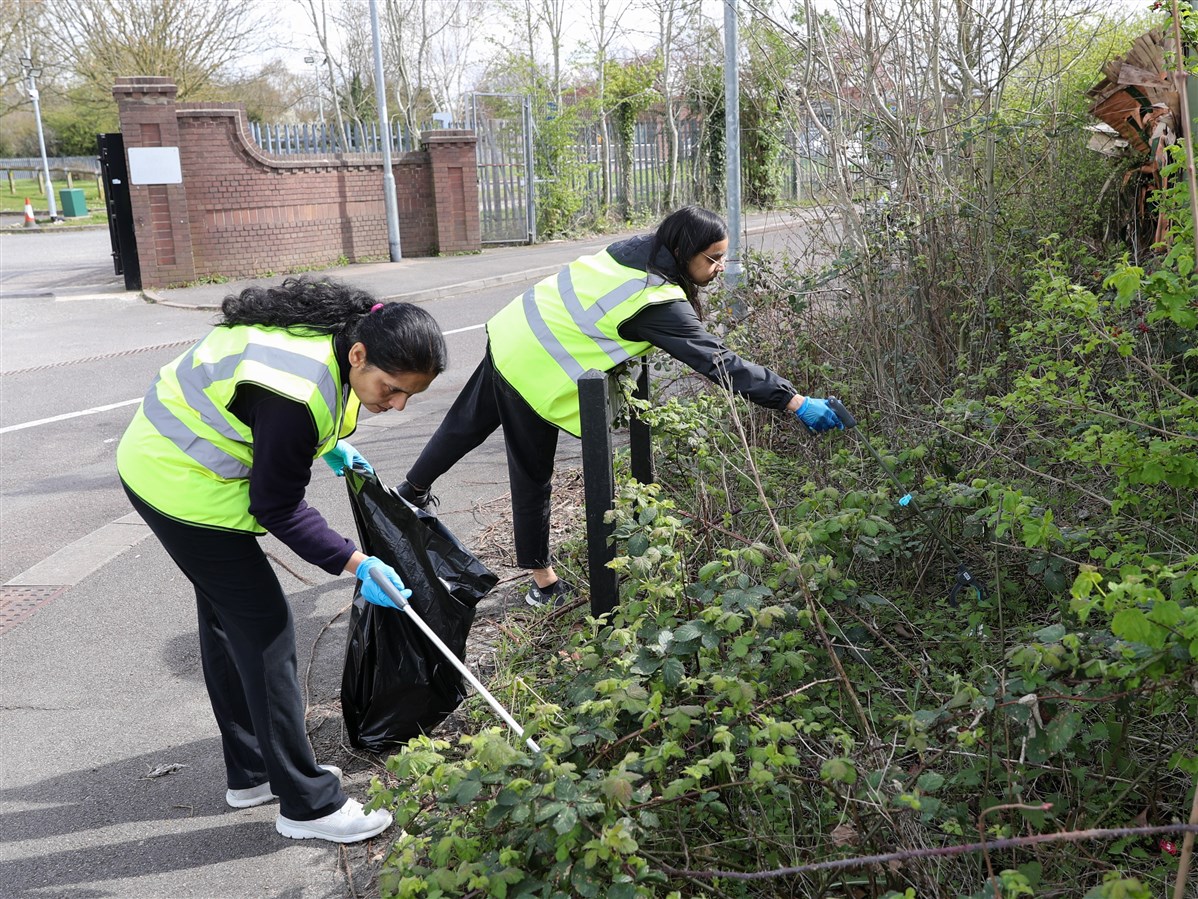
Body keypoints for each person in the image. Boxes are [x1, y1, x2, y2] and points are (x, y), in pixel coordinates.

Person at [116, 276, 447, 843]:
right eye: (391, 389)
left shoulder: (337, 337)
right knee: (267, 633)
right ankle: (307, 805)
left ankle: (254, 772)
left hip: (161, 463)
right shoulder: (296, 396)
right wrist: (355, 562)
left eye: (408, 397)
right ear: (359, 354)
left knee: (229, 626)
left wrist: (332, 444)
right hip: (180, 487)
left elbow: (271, 421)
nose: (395, 406)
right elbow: (277, 507)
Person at [394, 205, 842, 608]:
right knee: (532, 473)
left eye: (723, 257)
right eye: (712, 259)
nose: (720, 267)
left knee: (465, 424)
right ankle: (542, 582)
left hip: (516, 329)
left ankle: (410, 492)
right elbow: (720, 363)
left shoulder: (636, 249)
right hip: (537, 364)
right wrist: (792, 400)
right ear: (684, 250)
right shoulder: (657, 302)